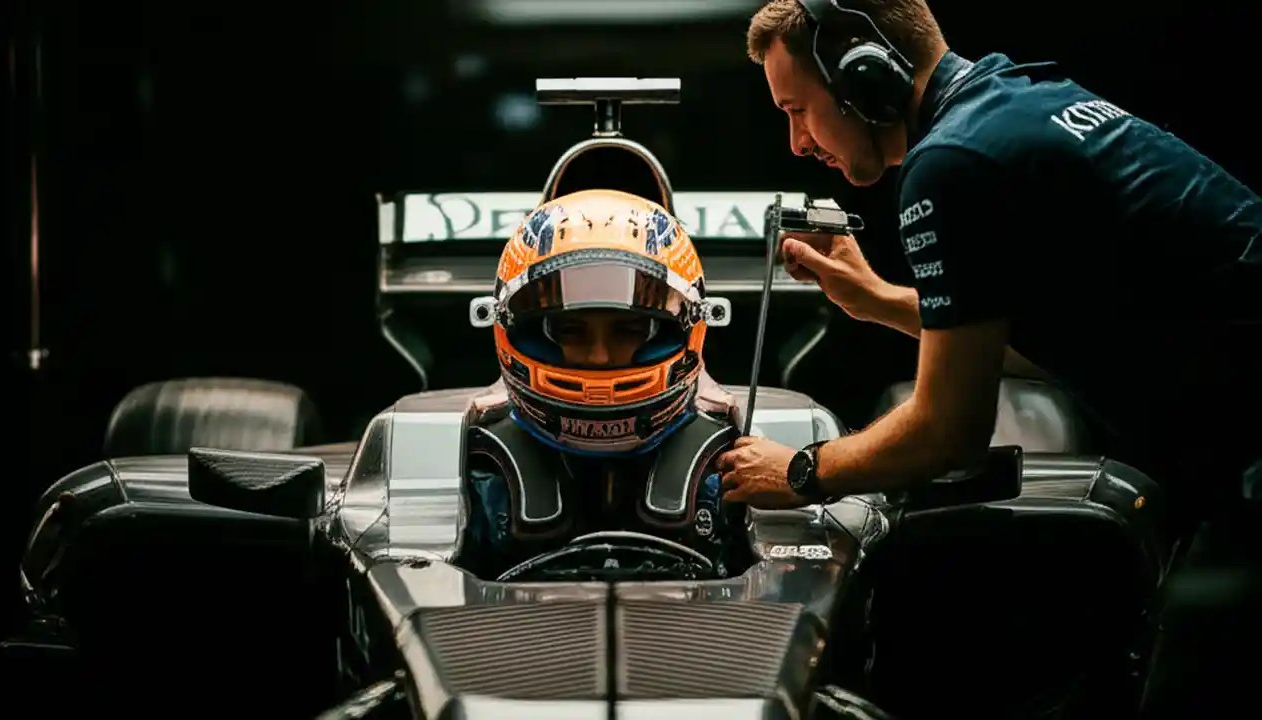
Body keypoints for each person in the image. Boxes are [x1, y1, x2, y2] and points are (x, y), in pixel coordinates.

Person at [717, 1, 1260, 716]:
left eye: (798, 108)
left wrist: (800, 471)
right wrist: (880, 300)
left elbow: (949, 428)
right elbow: (1060, 340)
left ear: (863, 75)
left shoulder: (950, 165)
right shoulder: (1021, 101)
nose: (796, 142)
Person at [455, 188, 751, 580]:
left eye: (629, 329)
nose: (598, 357)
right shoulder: (470, 463)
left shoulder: (736, 461)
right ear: (521, 331)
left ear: (681, 328)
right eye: (569, 330)